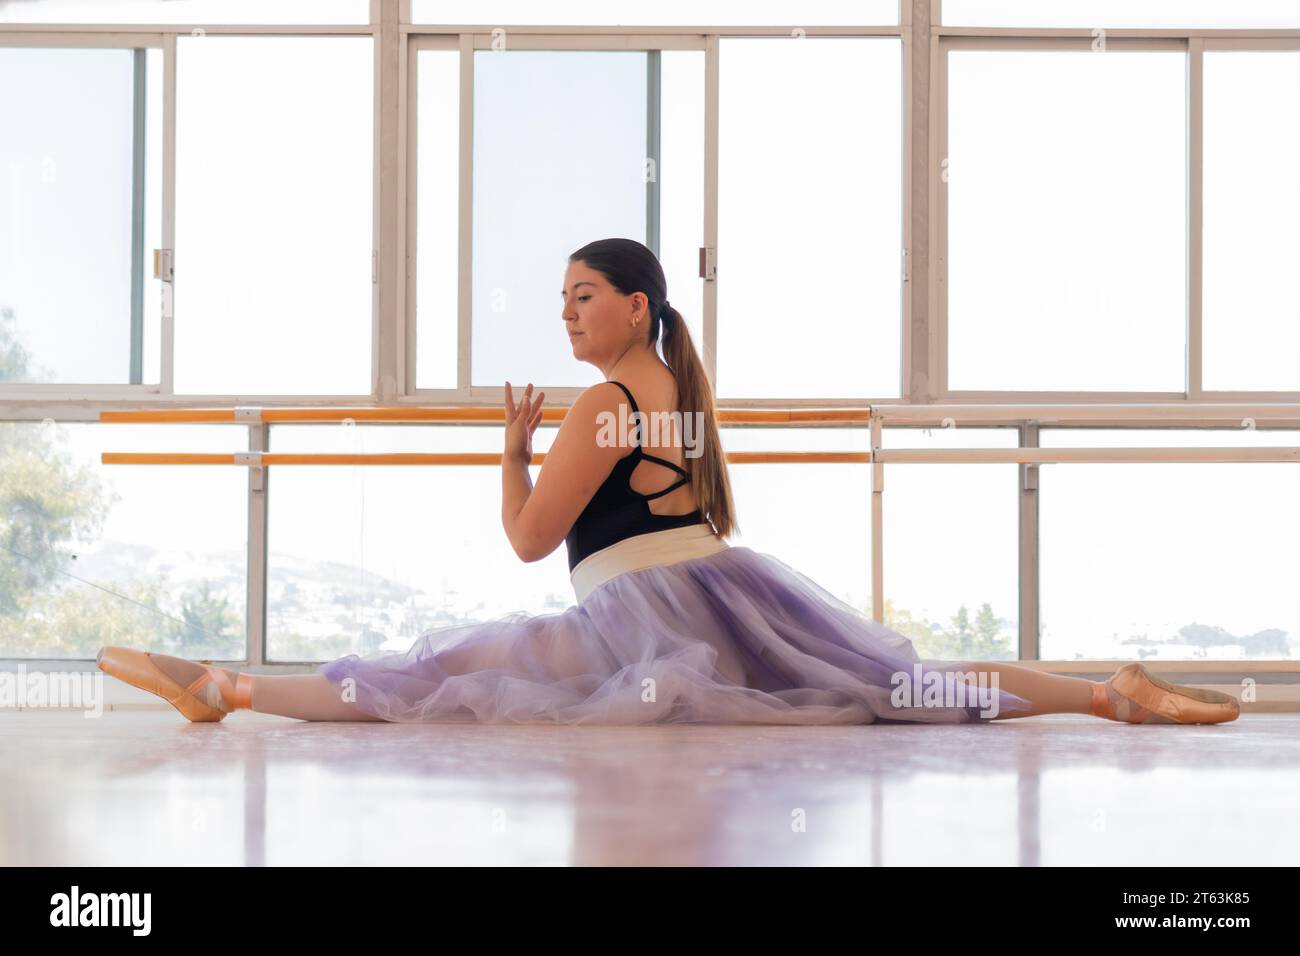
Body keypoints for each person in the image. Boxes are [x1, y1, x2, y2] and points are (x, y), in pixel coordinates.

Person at [97, 238, 1240, 727]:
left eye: (583, 295)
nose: (568, 313)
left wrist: (508, 451)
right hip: (717, 594)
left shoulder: (604, 404)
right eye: (562, 300)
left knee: (434, 669)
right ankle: (1103, 690)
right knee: (903, 676)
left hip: (644, 614)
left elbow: (530, 543)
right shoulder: (679, 396)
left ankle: (227, 688)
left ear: (636, 305)